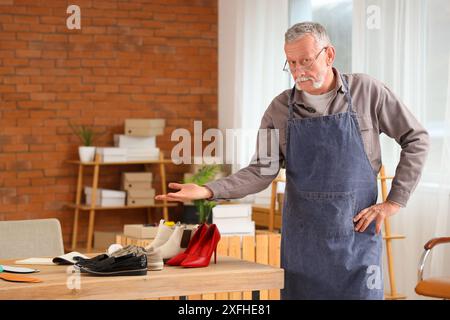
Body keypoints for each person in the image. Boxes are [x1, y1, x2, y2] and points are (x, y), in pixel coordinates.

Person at [155, 22, 430, 299]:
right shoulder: (279, 109)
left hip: (356, 242)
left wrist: (394, 202)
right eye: (292, 63)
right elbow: (261, 171)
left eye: (306, 61)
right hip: (303, 247)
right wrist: (208, 190)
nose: (299, 71)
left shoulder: (367, 91)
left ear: (329, 55)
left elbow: (416, 138)